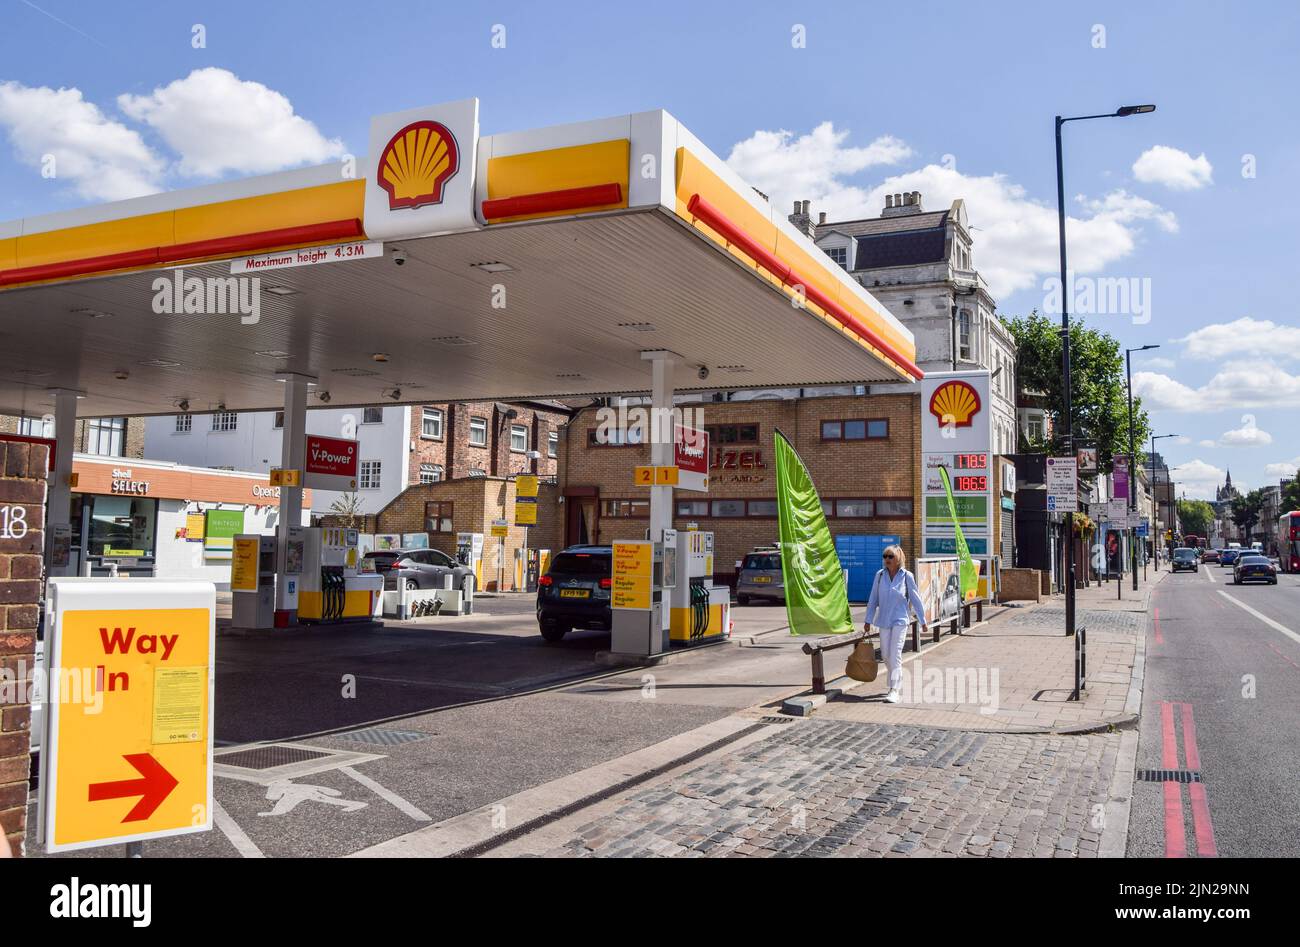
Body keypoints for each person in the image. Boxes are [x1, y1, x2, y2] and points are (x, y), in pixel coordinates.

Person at [864, 545, 928, 703]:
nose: (886, 559)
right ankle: (893, 681)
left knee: (895, 654)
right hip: (884, 620)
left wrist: (923, 620)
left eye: (890, 556)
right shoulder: (879, 576)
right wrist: (868, 619)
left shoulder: (907, 576)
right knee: (885, 654)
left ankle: (894, 689)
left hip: (900, 620)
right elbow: (873, 598)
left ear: (898, 558)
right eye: (884, 556)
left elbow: (915, 599)